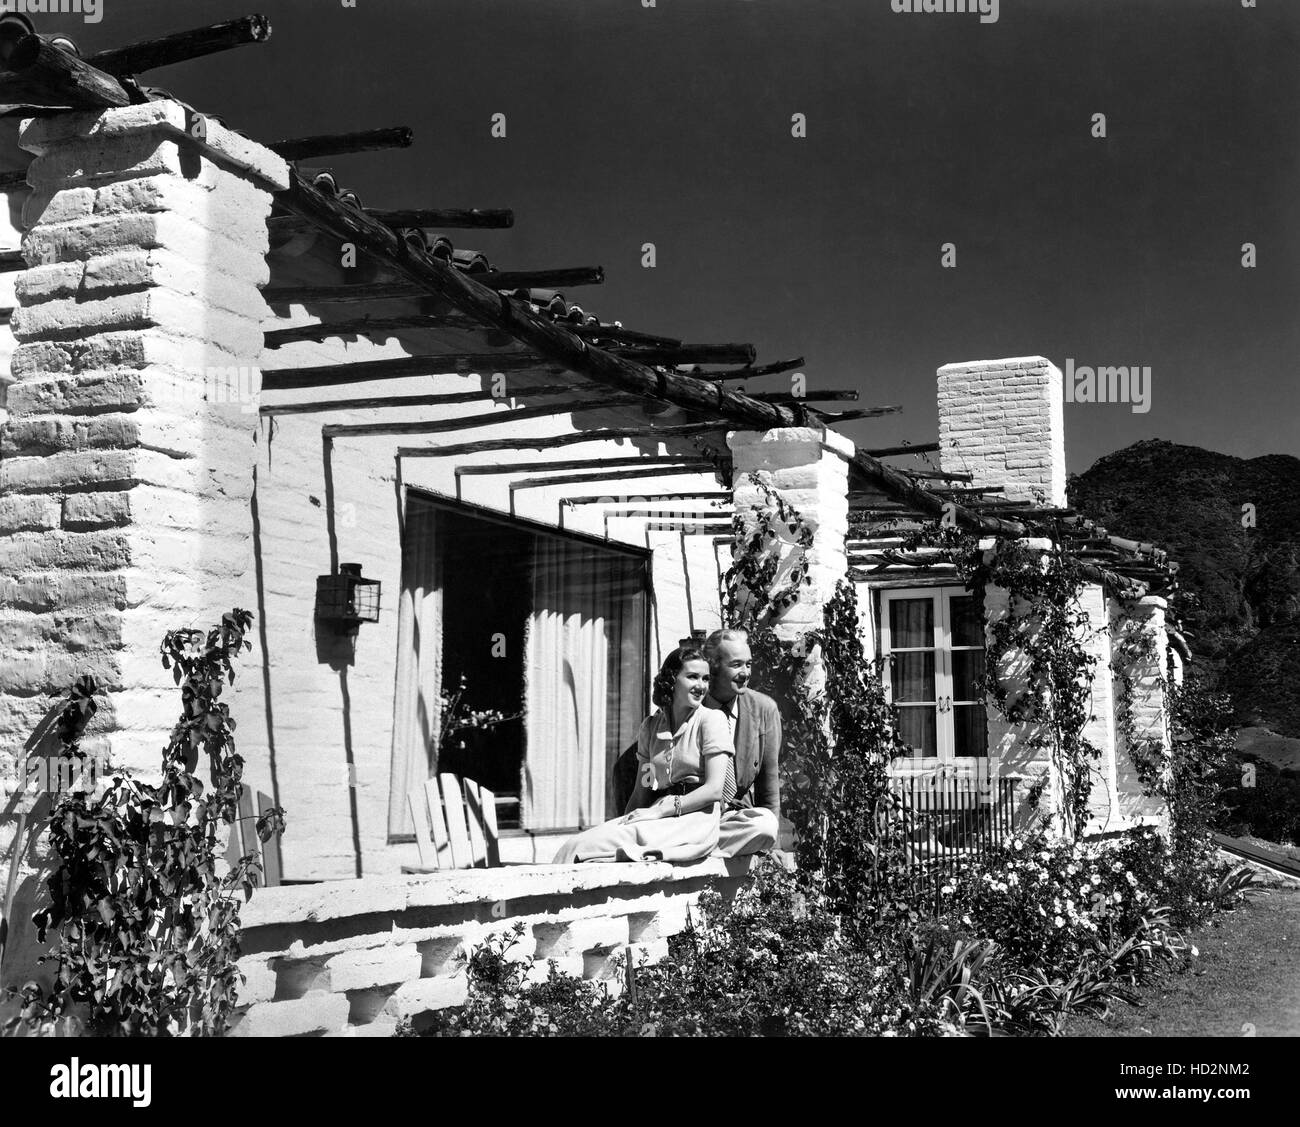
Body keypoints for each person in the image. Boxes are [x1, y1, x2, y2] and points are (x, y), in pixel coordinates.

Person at [552, 646, 734, 864]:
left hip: (695, 820)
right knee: (577, 845)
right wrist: (625, 820)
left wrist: (664, 810)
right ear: (672, 680)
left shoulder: (711, 721)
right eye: (692, 677)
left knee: (588, 846)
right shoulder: (651, 727)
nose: (701, 686)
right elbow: (643, 790)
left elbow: (714, 790)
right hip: (658, 817)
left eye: (705, 679)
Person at [702, 629, 782, 858]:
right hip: (696, 817)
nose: (745, 673)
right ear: (713, 666)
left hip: (736, 822)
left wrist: (770, 844)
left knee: (764, 825)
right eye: (736, 665)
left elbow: (769, 786)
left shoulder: (763, 709)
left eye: (748, 664)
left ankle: (704, 849)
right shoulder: (693, 706)